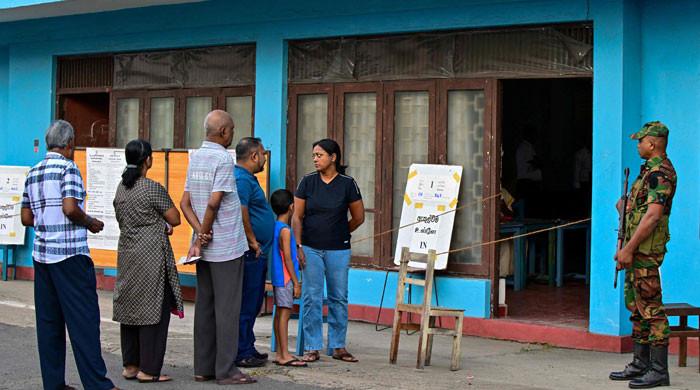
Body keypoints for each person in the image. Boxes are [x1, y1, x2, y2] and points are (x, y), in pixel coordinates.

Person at [20, 120, 118, 390]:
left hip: (42, 256)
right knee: (84, 322)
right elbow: (70, 208)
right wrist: (91, 223)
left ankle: (54, 384)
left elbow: (26, 217)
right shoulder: (68, 168)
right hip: (70, 256)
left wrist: (45, 221)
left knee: (49, 323)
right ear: (69, 143)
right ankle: (97, 385)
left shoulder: (34, 171)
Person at [180, 110, 256, 385]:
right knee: (227, 310)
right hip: (224, 246)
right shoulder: (224, 159)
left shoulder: (196, 156)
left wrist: (198, 236)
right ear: (223, 131)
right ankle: (226, 370)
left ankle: (203, 367)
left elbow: (185, 203)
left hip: (204, 248)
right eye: (232, 129)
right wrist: (205, 234)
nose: (233, 134)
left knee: (205, 308)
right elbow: (214, 202)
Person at [609, 121, 677, 388]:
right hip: (637, 251)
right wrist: (624, 207)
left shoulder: (661, 173)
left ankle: (659, 370)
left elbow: (652, 217)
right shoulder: (647, 172)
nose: (637, 145)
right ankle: (640, 363)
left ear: (652, 143)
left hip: (645, 252)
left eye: (640, 141)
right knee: (636, 306)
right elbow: (638, 210)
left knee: (651, 308)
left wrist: (628, 248)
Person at [112, 139, 184, 383]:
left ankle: (131, 365)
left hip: (127, 254)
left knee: (129, 308)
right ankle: (149, 370)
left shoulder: (121, 188)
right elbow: (174, 219)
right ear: (148, 160)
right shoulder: (152, 188)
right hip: (151, 256)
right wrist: (160, 224)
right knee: (154, 310)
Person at [292, 138, 365, 363]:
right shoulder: (307, 182)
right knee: (312, 297)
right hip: (311, 248)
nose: (315, 159)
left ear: (333, 157)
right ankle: (313, 347)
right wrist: (299, 245)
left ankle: (338, 346)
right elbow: (297, 216)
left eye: (320, 155)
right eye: (313, 155)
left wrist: (342, 232)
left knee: (338, 297)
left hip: (339, 249)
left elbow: (358, 217)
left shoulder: (347, 183)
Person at [234, 137, 275, 367]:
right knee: (247, 303)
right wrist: (252, 240)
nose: (264, 159)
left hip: (258, 252)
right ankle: (242, 351)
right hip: (251, 253)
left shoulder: (248, 179)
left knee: (253, 301)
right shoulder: (241, 179)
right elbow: (242, 210)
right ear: (254, 156)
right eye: (263, 155)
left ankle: (247, 345)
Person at [270, 189, 306, 367]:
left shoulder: (276, 225)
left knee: (279, 315)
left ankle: (280, 352)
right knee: (284, 315)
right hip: (285, 277)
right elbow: (287, 258)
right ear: (291, 206)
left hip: (278, 276)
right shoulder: (285, 230)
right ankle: (284, 354)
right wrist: (296, 282)